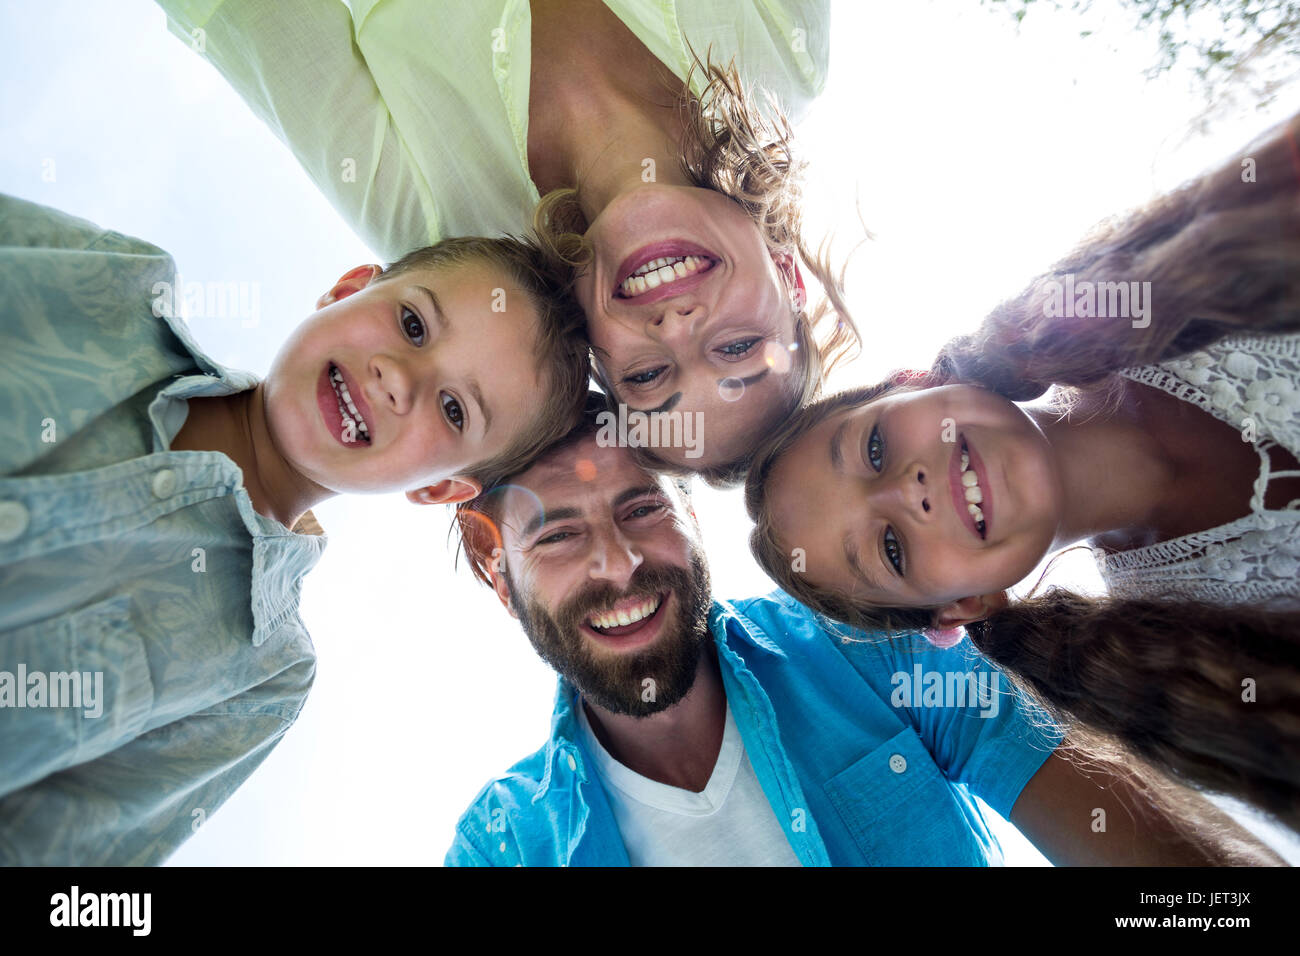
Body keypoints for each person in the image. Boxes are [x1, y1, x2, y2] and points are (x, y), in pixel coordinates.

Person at [744, 112, 1300, 833]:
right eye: (890, 548)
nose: (904, 493)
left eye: (875, 449)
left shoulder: (1167, 279)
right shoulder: (1210, 664)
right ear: (964, 607)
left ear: (910, 379)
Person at [0, 193, 587, 864]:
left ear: (437, 489)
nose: (399, 379)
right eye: (413, 324)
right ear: (344, 291)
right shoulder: (107, 286)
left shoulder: (261, 676)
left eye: (454, 410)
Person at [443, 396, 1281, 865]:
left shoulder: (869, 653)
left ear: (693, 516)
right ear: (497, 571)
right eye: (556, 536)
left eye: (643, 508)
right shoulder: (504, 845)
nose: (620, 566)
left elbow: (1177, 879)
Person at [155, 0, 861, 478]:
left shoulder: (444, 238)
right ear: (787, 275)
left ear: (597, 351)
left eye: (647, 377)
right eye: (736, 348)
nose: (676, 329)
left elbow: (254, 18)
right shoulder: (783, 55)